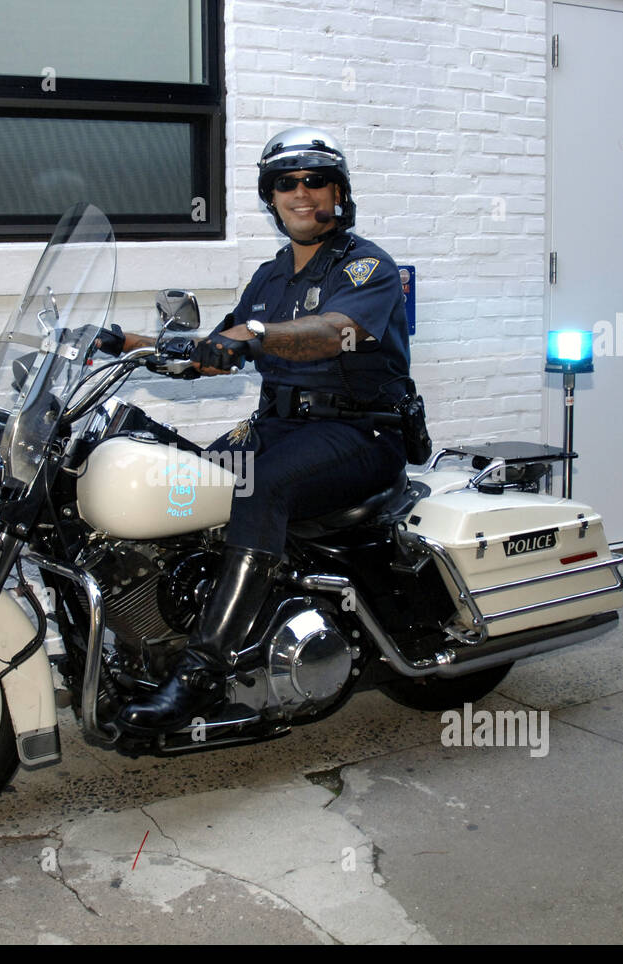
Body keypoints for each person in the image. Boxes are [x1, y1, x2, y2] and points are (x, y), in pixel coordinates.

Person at [102, 127, 412, 735]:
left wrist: (257, 338)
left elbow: (334, 332)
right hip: (278, 426)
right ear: (271, 198)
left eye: (316, 181)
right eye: (286, 184)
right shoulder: (271, 277)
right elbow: (213, 345)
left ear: (338, 193)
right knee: (187, 482)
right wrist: (125, 342)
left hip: (359, 436)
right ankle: (166, 632)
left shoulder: (368, 267)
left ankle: (200, 675)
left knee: (257, 486)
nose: (302, 194)